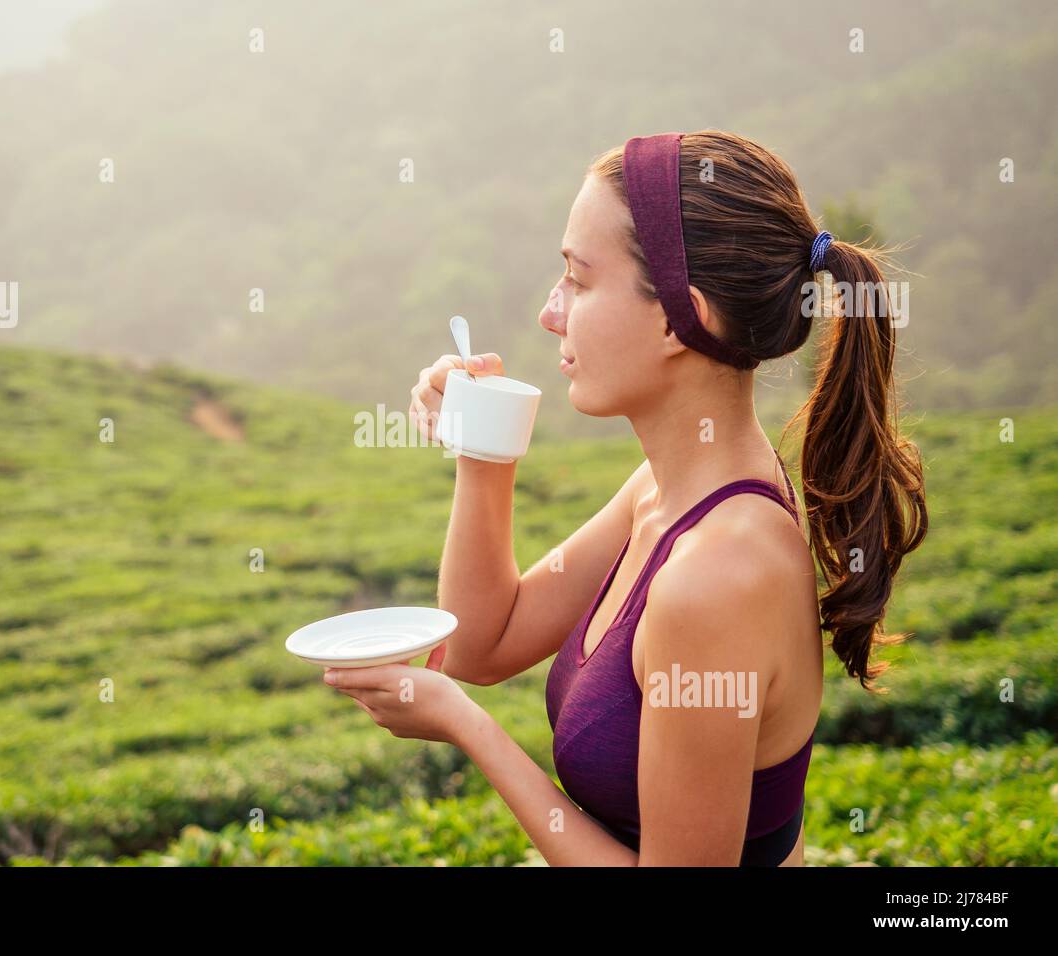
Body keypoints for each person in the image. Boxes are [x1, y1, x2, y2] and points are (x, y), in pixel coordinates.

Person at [323, 129, 928, 866]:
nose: (552, 313)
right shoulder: (669, 491)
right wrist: (483, 450)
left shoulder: (718, 577)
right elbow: (483, 644)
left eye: (579, 279)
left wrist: (469, 729)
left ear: (684, 318)